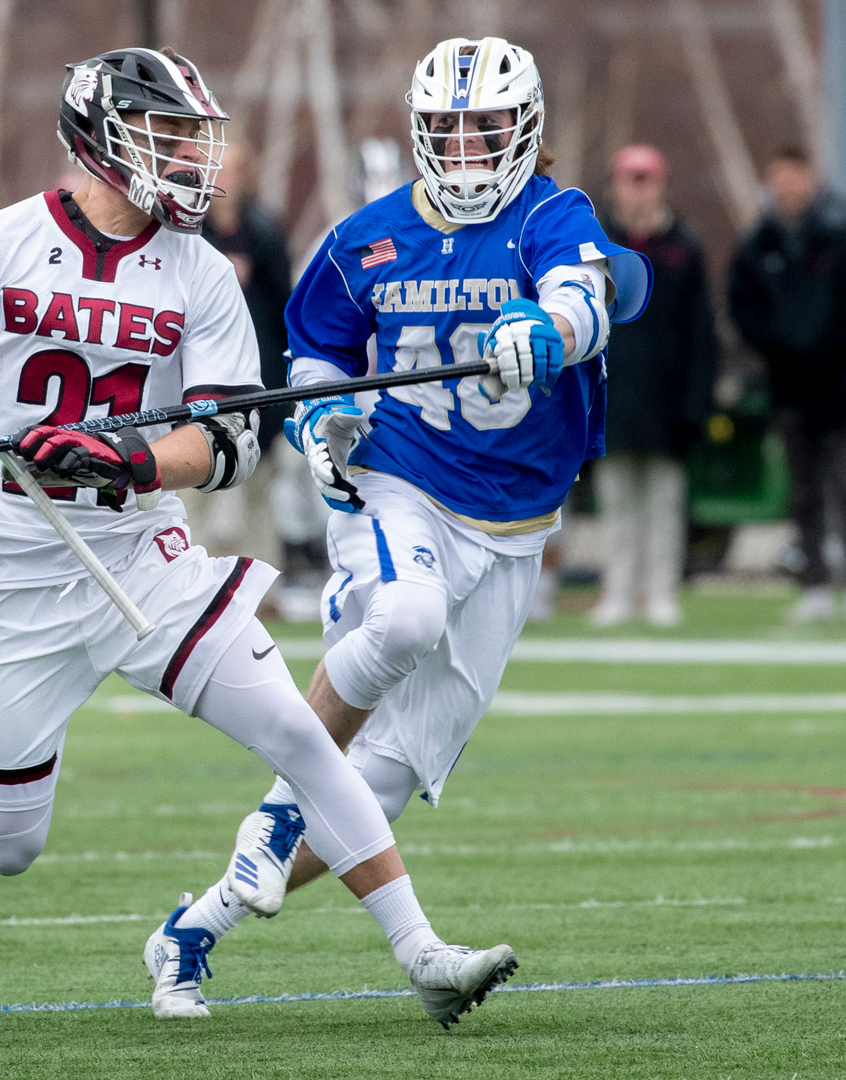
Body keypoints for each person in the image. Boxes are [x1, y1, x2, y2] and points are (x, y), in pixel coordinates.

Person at [0, 47, 515, 1028]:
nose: (191, 158)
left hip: (138, 558)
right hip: (0, 577)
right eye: (166, 135)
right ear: (100, 136)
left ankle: (422, 954)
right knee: (9, 842)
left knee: (297, 731)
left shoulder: (199, 271)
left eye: (194, 137)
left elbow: (230, 442)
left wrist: (125, 461)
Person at [161, 34, 651, 1004]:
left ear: (525, 129)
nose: (465, 148)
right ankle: (276, 814)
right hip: (400, 479)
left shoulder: (552, 215)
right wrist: (322, 420)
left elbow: (591, 294)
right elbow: (316, 354)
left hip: (515, 524)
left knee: (379, 781)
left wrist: (549, 328)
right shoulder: (367, 237)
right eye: (446, 128)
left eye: (486, 127)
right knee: (405, 618)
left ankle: (194, 927)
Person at [729, 147, 846, 622]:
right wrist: (780, 351)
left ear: (811, 180)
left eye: (795, 177)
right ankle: (814, 585)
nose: (788, 187)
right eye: (780, 178)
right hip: (790, 387)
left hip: (840, 384)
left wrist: (825, 352)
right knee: (804, 491)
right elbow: (742, 307)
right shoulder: (759, 244)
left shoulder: (838, 235)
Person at [591, 144, 718, 626]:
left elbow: (700, 333)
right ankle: (619, 591)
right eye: (630, 180)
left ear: (661, 185)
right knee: (617, 503)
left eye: (646, 180)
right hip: (613, 394)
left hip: (667, 396)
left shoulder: (683, 247)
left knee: (665, 505)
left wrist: (697, 402)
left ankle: (662, 591)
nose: (638, 191)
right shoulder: (597, 246)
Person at [193, 141, 292, 565]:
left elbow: (285, 304)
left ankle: (264, 573)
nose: (224, 180)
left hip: (258, 368)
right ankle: (186, 569)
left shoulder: (265, 231)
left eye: (232, 171)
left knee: (258, 482)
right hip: (200, 370)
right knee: (193, 481)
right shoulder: (190, 231)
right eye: (217, 171)